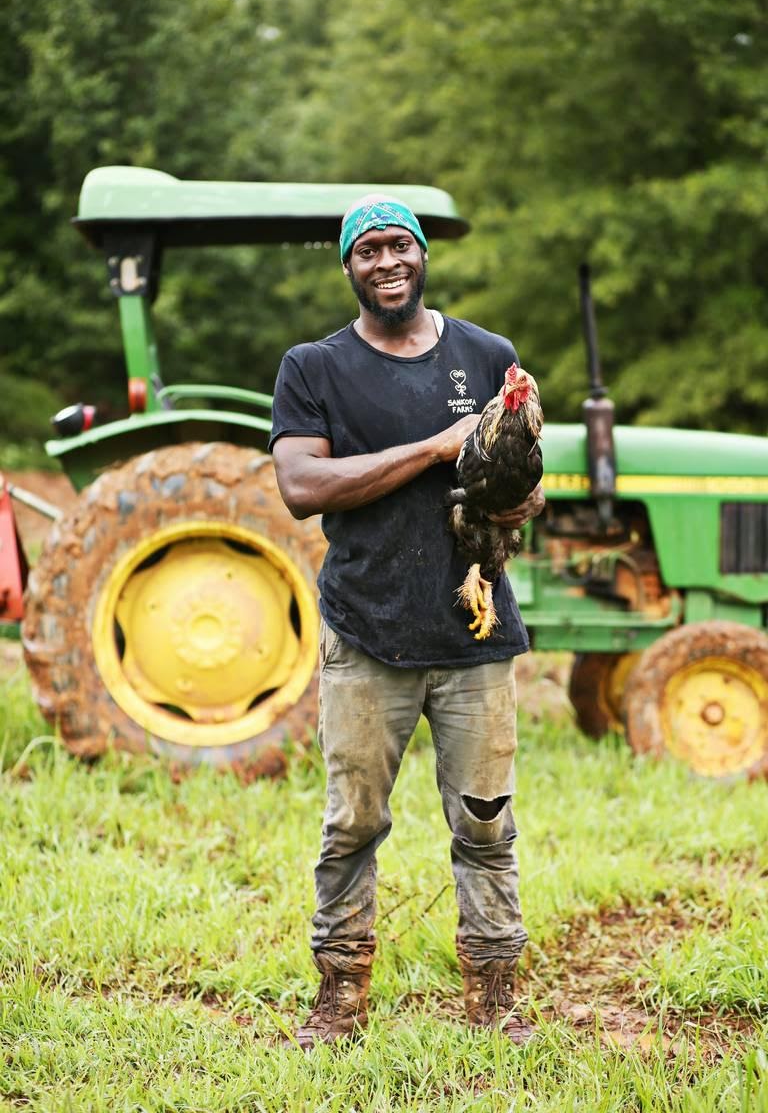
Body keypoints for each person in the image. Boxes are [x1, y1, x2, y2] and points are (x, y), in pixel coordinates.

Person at [269, 195, 544, 1050]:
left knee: (487, 823)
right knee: (352, 824)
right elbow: (302, 488)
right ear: (347, 266)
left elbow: (523, 474)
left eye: (400, 246)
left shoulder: (487, 354)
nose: (386, 262)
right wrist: (434, 447)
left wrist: (521, 493)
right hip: (367, 632)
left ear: (421, 256)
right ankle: (339, 999)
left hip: (473, 630)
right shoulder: (314, 368)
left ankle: (496, 1000)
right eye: (368, 251)